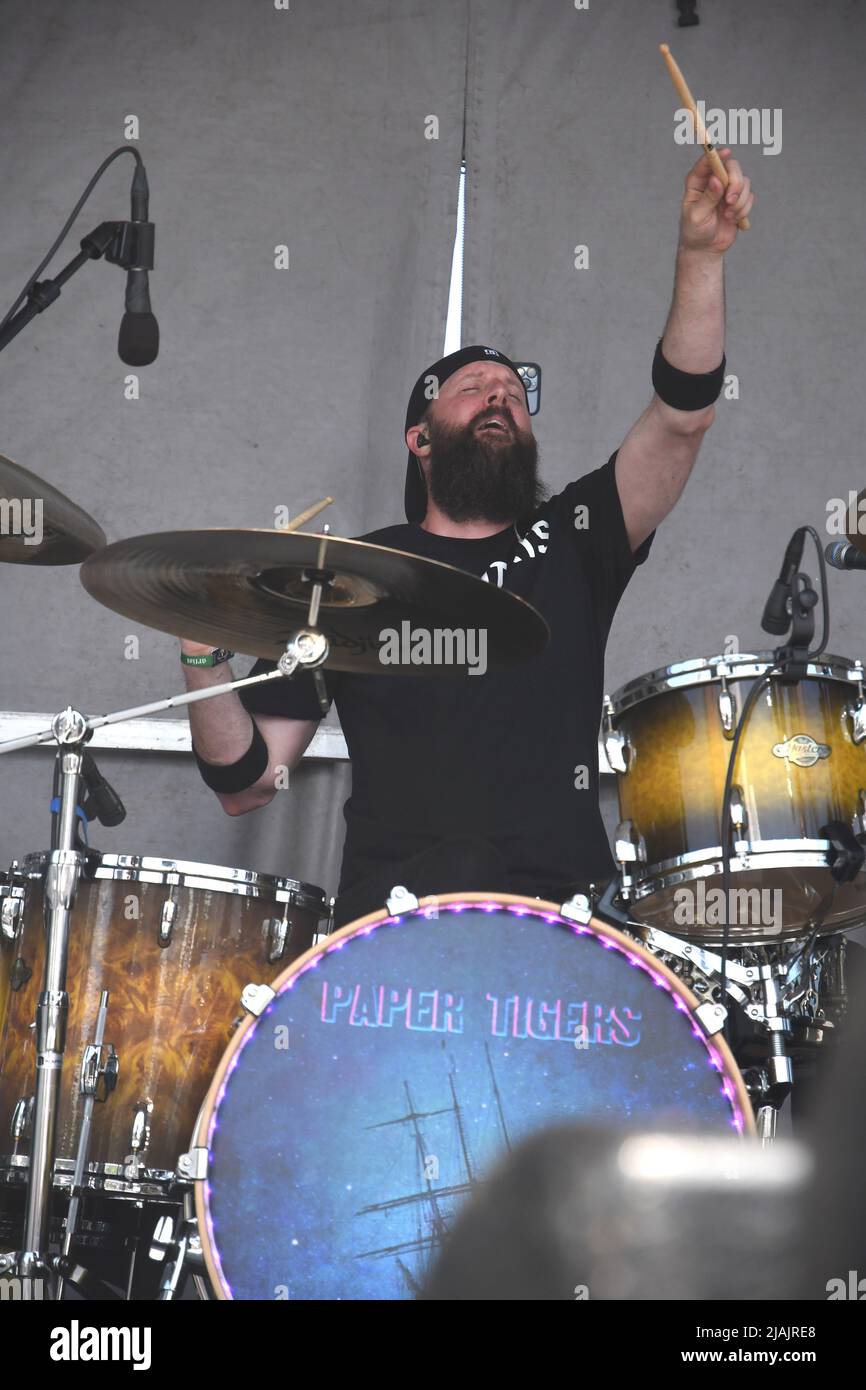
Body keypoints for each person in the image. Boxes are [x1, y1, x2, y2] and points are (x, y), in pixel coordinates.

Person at [181, 150, 754, 929]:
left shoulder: (578, 537)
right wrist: (200, 645)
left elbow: (683, 413)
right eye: (475, 389)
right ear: (421, 439)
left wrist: (700, 255)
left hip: (565, 928)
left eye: (515, 395)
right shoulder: (350, 578)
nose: (501, 396)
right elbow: (244, 782)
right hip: (391, 935)